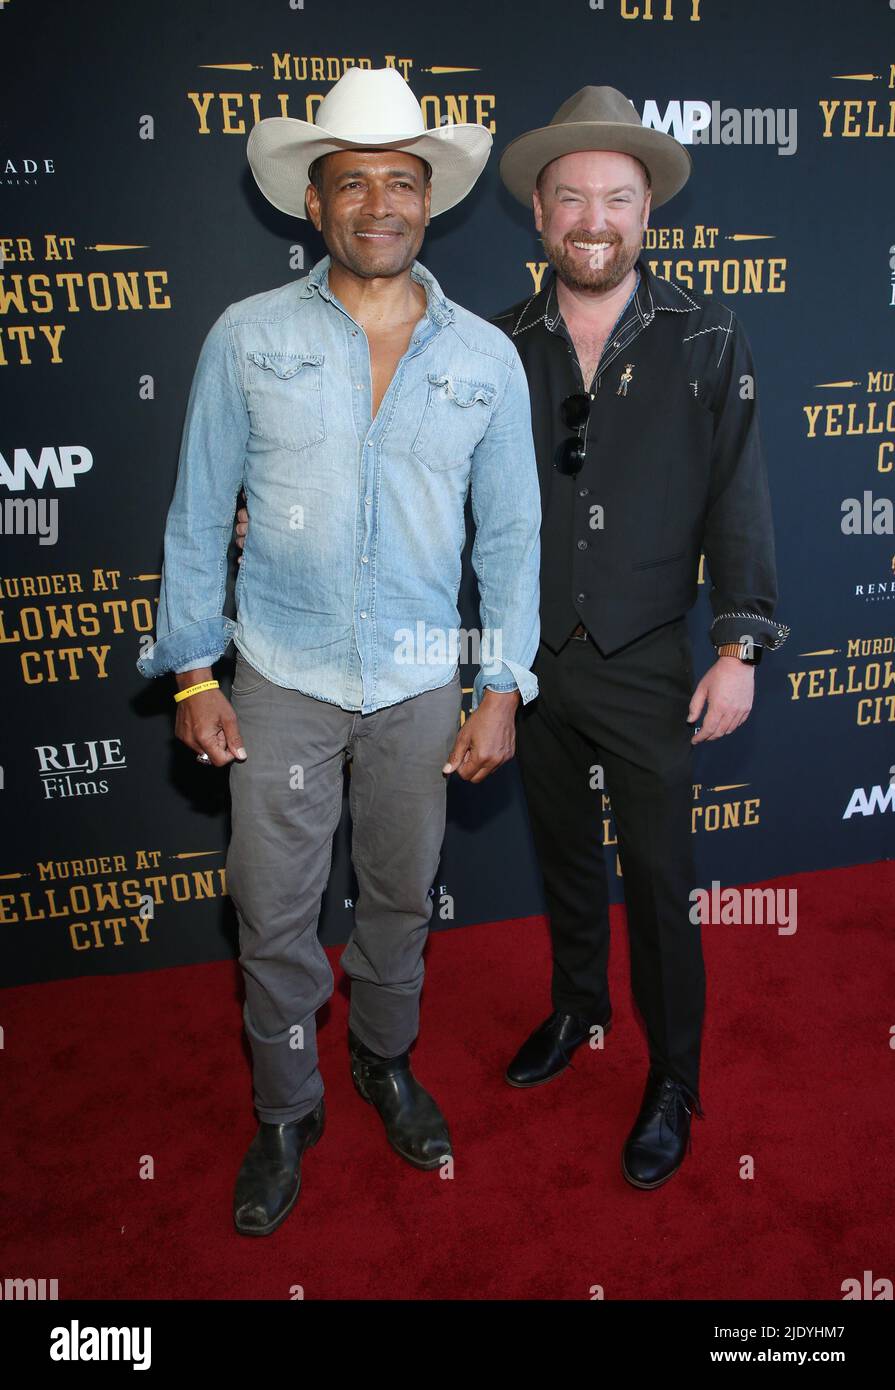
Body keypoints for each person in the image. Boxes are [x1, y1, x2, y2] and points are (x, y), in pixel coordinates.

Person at [136, 66, 541, 1235]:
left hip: (423, 684)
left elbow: (512, 533)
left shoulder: (484, 357)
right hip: (279, 678)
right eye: (351, 180)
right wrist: (196, 669)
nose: (378, 202)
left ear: (432, 201)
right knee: (269, 916)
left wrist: (501, 683)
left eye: (400, 181)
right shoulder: (246, 336)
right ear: (312, 205)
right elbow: (198, 511)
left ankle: (383, 1060)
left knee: (401, 902)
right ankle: (283, 1109)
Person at [492, 86, 789, 1188]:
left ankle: (673, 1075)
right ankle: (578, 1009)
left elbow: (739, 497)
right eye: (571, 196)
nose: (593, 218)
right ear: (537, 211)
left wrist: (737, 645)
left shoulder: (709, 334)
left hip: (655, 659)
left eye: (616, 197)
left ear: (648, 214)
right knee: (566, 857)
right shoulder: (497, 341)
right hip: (532, 663)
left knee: (659, 879)